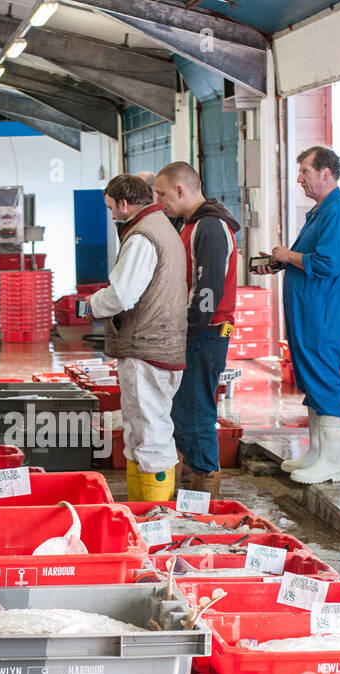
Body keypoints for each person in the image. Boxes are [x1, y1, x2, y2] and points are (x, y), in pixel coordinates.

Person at [253, 146, 340, 484]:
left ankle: (332, 463)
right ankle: (316, 453)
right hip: (308, 312)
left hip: (323, 315)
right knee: (312, 382)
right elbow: (309, 257)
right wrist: (281, 260)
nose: (300, 179)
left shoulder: (339, 212)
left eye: (305, 172)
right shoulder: (320, 211)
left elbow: (329, 263)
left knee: (326, 381)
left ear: (326, 172)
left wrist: (288, 255)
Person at [86, 174, 188, 502]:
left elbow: (121, 295)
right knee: (142, 432)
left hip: (146, 346)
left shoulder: (142, 237)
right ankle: (140, 510)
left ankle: (154, 516)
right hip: (160, 342)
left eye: (111, 207)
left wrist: (91, 306)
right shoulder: (162, 227)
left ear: (125, 204)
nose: (112, 214)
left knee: (150, 435)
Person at [154, 161, 240, 496]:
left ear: (180, 189)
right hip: (195, 332)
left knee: (195, 408)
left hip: (205, 333)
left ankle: (206, 485)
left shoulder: (209, 227)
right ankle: (193, 482)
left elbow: (208, 288)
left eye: (162, 194)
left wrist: (187, 330)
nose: (160, 202)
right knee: (185, 407)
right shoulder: (191, 224)